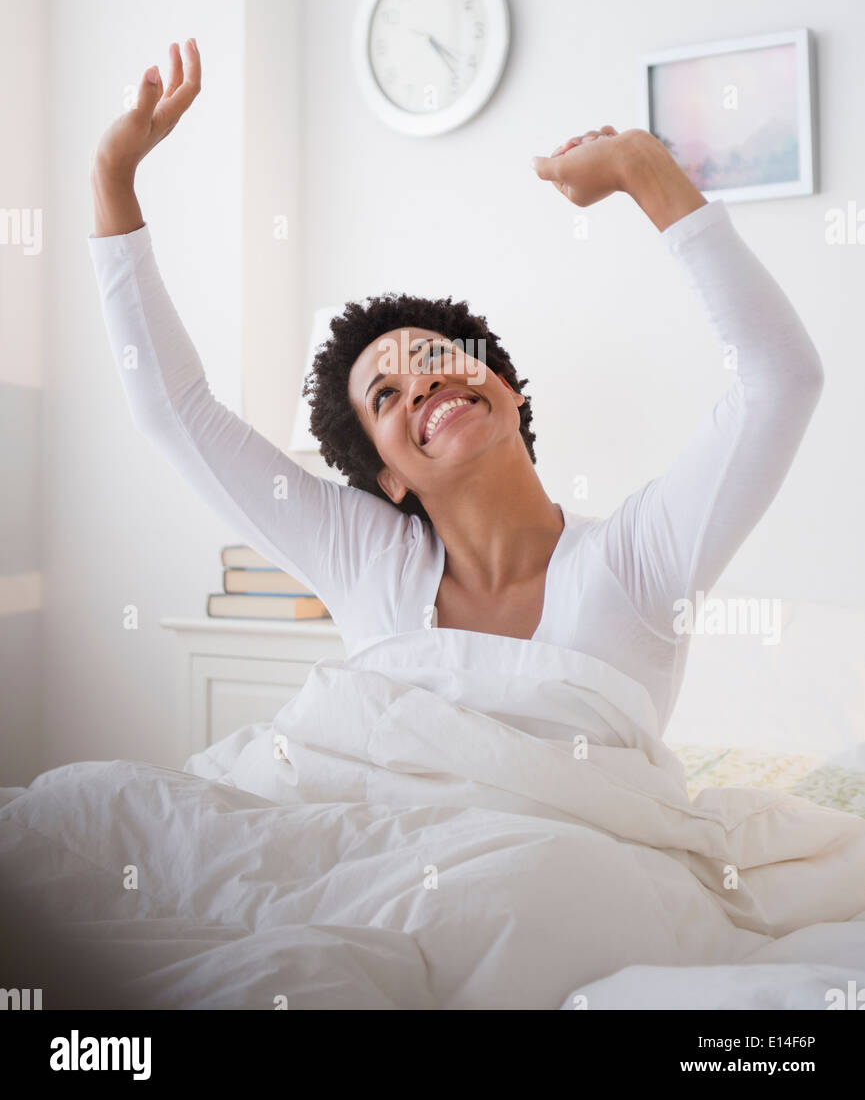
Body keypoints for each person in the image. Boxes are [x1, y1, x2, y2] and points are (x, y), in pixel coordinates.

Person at [88, 39, 824, 735]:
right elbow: (172, 408)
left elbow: (779, 379)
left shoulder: (637, 558)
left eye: (435, 354)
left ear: (509, 391)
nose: (421, 381)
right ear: (387, 476)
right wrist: (112, 181)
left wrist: (641, 166)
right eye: (383, 395)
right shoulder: (362, 555)